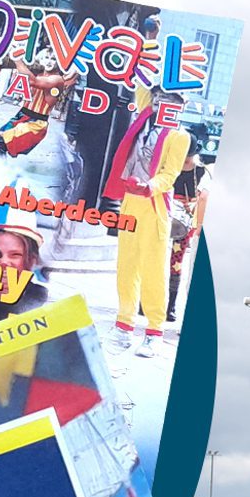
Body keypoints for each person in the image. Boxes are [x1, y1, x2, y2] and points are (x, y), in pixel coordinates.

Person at [102, 90, 192, 357]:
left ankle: (154, 332)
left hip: (155, 205)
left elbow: (170, 174)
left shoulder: (180, 136)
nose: (162, 101)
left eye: (171, 99)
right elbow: (141, 81)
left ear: (180, 106)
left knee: (153, 269)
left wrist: (149, 186)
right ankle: (124, 326)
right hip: (130, 202)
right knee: (126, 266)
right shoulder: (144, 115)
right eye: (160, 95)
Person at [0, 53, 78, 156]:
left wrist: (17, 59)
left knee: (1, 141)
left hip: (36, 122)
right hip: (22, 115)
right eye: (46, 57)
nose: (48, 61)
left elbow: (33, 81)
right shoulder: (39, 73)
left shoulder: (57, 79)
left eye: (53, 59)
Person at [166, 148, 208, 323]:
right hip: (164, 215)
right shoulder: (170, 166)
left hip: (184, 222)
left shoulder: (201, 172)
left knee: (176, 263)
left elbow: (202, 197)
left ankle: (171, 305)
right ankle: (145, 301)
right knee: (153, 258)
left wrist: (191, 205)